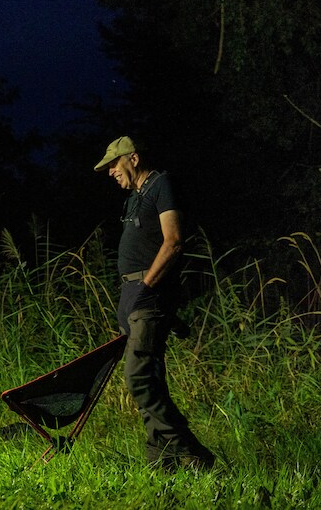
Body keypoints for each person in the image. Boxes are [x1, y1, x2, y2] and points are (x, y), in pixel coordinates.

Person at [94, 136, 215, 471]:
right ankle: (162, 462)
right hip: (131, 294)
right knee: (152, 379)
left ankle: (192, 452)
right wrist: (132, 294)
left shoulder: (162, 184)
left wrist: (146, 288)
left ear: (133, 158)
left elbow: (173, 241)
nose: (110, 172)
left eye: (113, 165)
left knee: (139, 378)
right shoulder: (135, 197)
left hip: (147, 294)